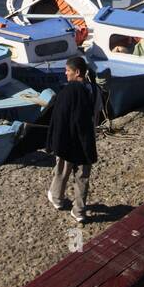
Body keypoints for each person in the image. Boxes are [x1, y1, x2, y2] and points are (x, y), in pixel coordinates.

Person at [45, 56, 99, 224]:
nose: (65, 73)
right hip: (87, 140)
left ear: (77, 73)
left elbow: (59, 119)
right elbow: (96, 114)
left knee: (62, 169)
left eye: (67, 70)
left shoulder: (67, 92)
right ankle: (79, 211)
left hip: (69, 140)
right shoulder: (95, 90)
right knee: (82, 176)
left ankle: (57, 198)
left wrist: (53, 142)